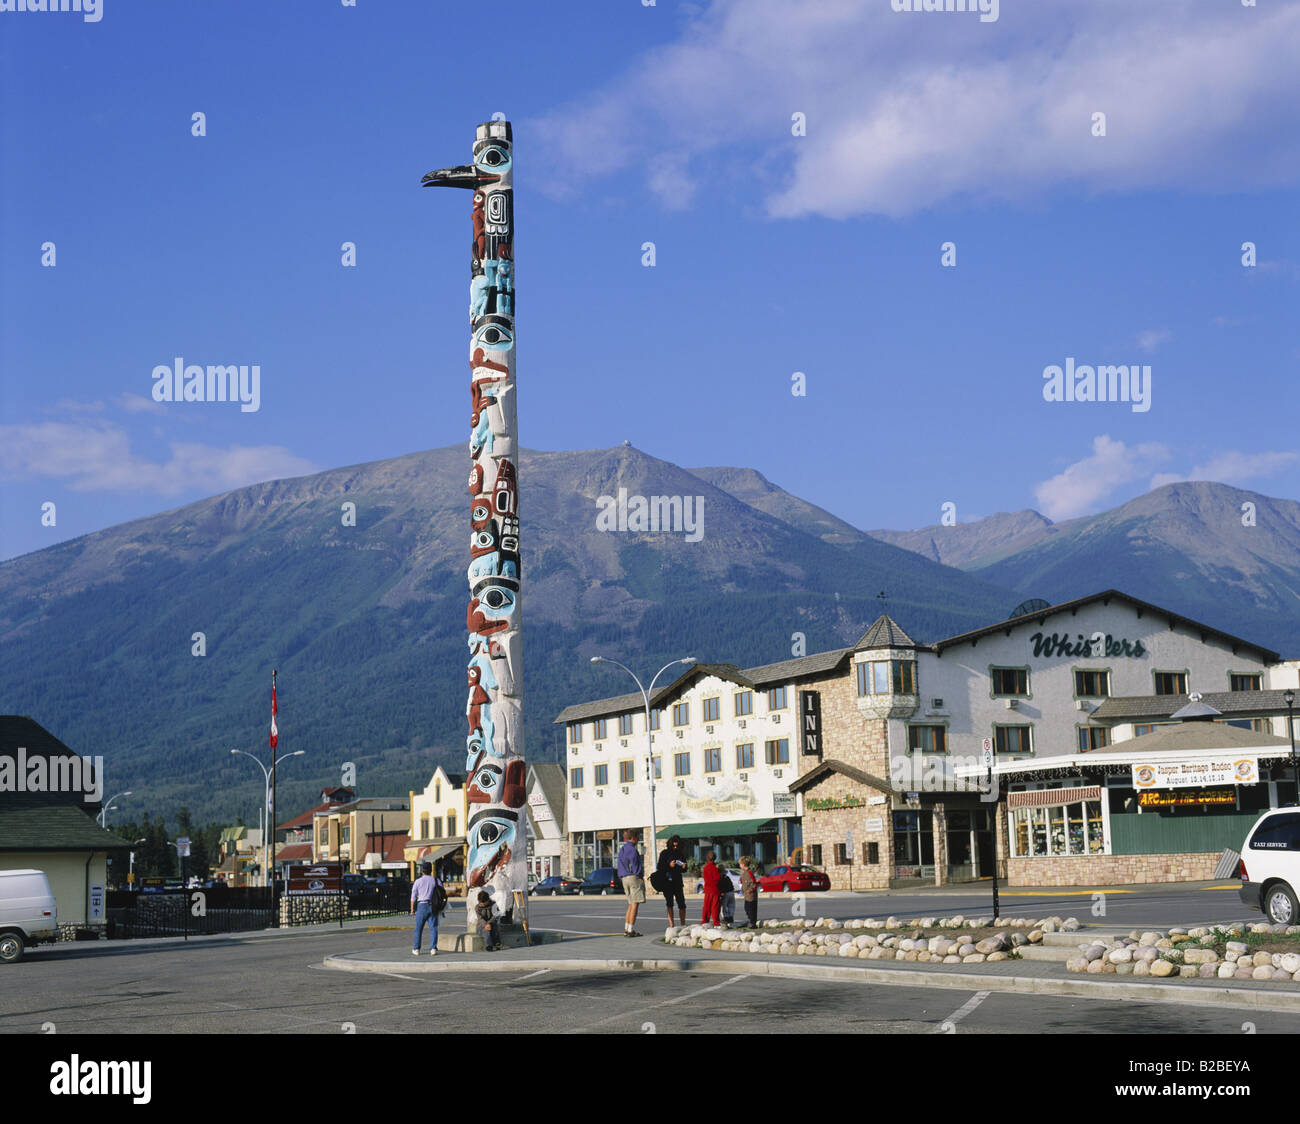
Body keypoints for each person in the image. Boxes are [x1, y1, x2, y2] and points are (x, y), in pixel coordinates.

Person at [410, 861, 444, 956]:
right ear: (431, 870)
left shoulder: (418, 881)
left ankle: (416, 949)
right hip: (433, 905)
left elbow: (413, 896)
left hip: (422, 905)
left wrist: (412, 909)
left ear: (422, 871)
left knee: (418, 929)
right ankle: (433, 948)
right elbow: (442, 892)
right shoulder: (436, 881)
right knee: (433, 928)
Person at [617, 829, 645, 937]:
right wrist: (640, 876)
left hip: (624, 877)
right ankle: (630, 930)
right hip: (633, 877)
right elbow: (635, 864)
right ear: (633, 837)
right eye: (638, 837)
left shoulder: (622, 849)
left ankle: (626, 928)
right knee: (635, 904)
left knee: (630, 903)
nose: (638, 839)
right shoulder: (633, 850)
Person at [657, 834, 688, 927]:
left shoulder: (680, 854)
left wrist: (684, 867)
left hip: (677, 881)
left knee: (681, 903)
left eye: (677, 846)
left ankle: (683, 923)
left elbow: (684, 869)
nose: (675, 847)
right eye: (673, 845)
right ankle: (671, 924)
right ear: (670, 844)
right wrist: (669, 865)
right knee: (669, 903)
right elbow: (659, 867)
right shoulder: (664, 853)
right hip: (667, 881)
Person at [700, 851, 722, 927]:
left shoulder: (705, 868)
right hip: (715, 889)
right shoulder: (714, 868)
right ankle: (716, 921)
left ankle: (705, 920)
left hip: (708, 889)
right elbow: (717, 878)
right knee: (715, 906)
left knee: (707, 906)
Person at [739, 856, 759, 929]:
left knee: (751, 909)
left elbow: (754, 884)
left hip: (751, 895)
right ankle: (751, 921)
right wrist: (741, 890)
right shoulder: (744, 873)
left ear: (743, 864)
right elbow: (743, 884)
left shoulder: (750, 873)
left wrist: (750, 890)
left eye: (740, 864)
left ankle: (752, 923)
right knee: (746, 908)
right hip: (746, 896)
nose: (740, 866)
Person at [717, 860, 736, 927]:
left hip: (725, 893)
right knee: (731, 905)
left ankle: (725, 917)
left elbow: (720, 886)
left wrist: (721, 892)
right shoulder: (727, 877)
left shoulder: (720, 878)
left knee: (723, 906)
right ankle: (731, 916)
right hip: (731, 892)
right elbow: (731, 885)